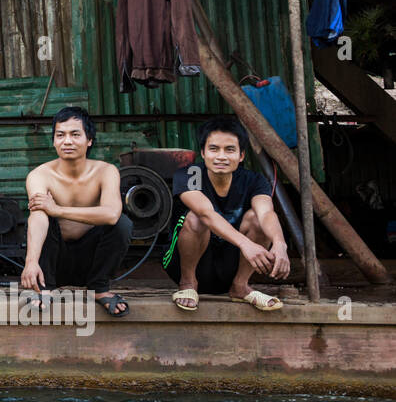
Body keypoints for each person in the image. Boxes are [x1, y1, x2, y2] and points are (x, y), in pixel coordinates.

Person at [163, 116, 290, 312]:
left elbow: (266, 214)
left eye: (229, 150)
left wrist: (280, 244)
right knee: (196, 218)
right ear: (203, 153)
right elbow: (206, 214)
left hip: (230, 265)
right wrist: (246, 244)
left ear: (241, 156)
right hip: (188, 262)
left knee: (257, 219)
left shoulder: (254, 180)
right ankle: (188, 283)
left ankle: (240, 286)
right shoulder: (191, 174)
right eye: (214, 149)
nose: (221, 156)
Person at [21, 106, 133, 316]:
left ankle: (99, 290)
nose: (67, 141)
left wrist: (57, 209)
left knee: (122, 224)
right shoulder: (40, 175)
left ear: (89, 139)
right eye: (60, 135)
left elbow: (111, 215)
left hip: (90, 261)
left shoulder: (106, 171)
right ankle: (44, 289)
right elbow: (37, 217)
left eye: (75, 134)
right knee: (41, 214)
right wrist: (31, 262)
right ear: (54, 141)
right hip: (54, 262)